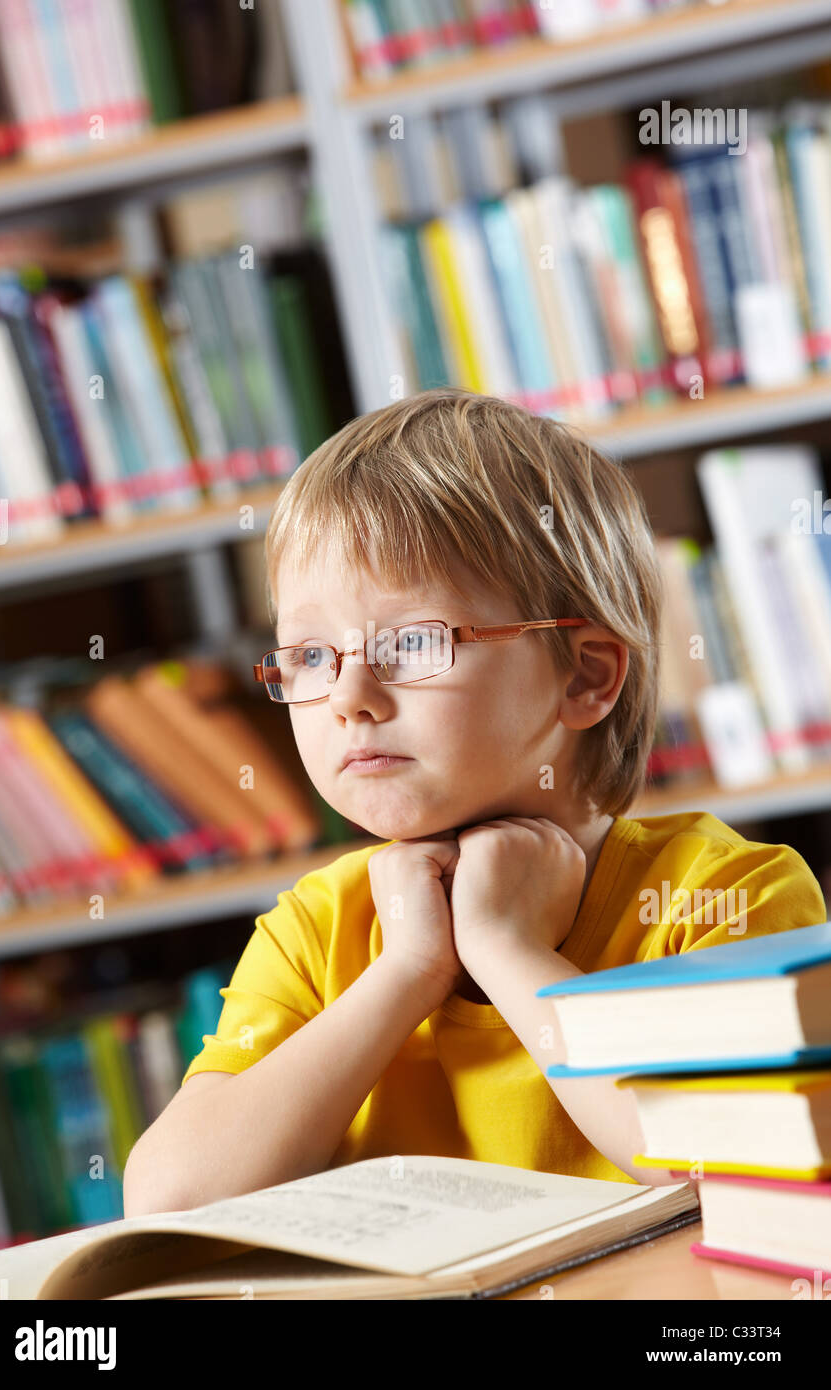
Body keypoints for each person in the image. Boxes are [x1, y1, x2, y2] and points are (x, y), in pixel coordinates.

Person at [123, 387, 826, 1216]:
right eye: (310, 653)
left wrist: (506, 952)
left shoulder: (725, 895)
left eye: (413, 642)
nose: (349, 694)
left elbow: (726, 1161)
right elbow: (170, 1197)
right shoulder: (321, 927)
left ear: (586, 675)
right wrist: (408, 972)